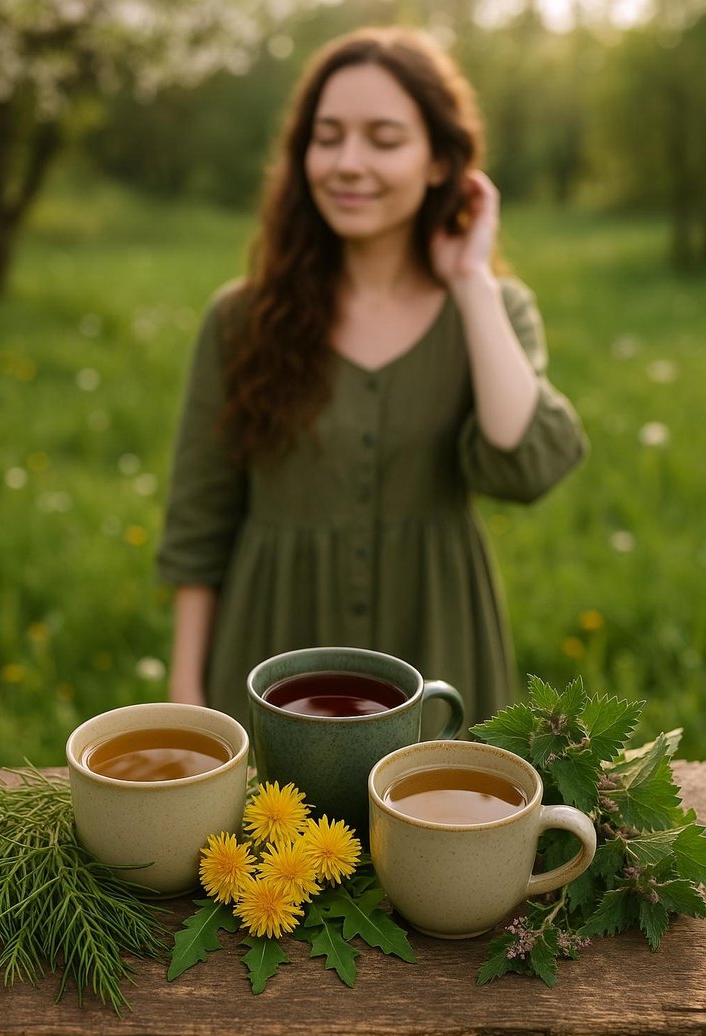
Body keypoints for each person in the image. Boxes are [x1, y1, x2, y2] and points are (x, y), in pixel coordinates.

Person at [157, 25, 587, 738]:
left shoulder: (492, 311)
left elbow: (523, 465)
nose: (348, 163)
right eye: (327, 137)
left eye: (384, 139)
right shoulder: (240, 318)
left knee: (439, 843)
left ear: (441, 161)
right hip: (270, 650)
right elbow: (199, 522)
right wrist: (186, 686)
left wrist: (473, 281)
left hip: (440, 647)